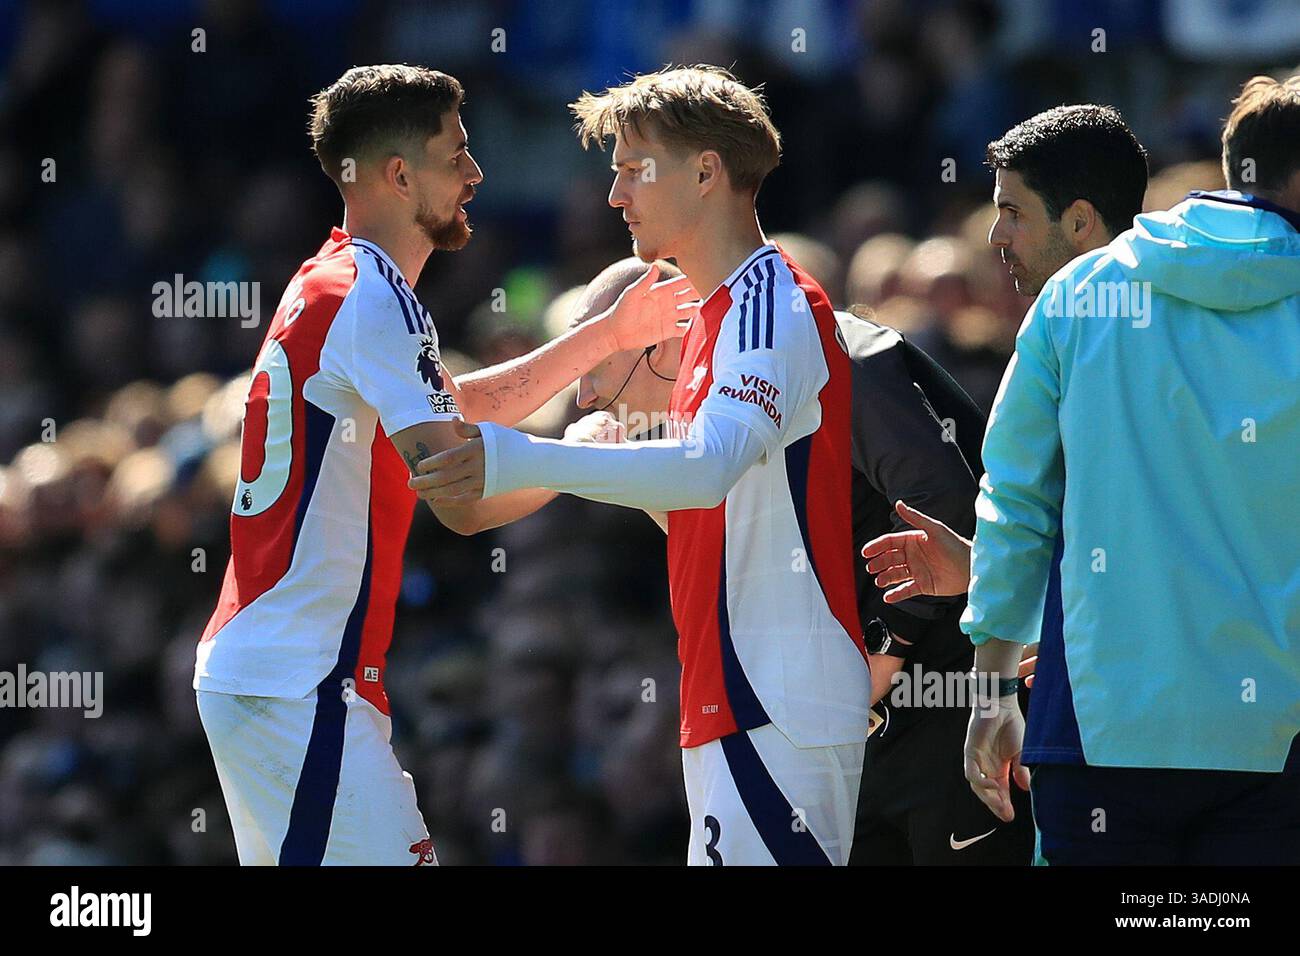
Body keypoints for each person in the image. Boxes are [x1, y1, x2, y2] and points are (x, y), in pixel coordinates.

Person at [193, 64, 692, 866]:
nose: (475, 174)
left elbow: (448, 411)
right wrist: (592, 455)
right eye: (456, 154)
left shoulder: (334, 277)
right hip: (300, 686)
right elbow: (460, 499)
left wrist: (604, 337)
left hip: (276, 676)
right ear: (399, 174)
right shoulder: (374, 297)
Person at [412, 65, 870, 865]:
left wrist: (527, 456)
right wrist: (616, 460)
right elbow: (709, 503)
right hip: (739, 697)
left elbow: (706, 470)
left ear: (705, 171)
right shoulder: (718, 316)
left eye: (632, 169)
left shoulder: (769, 301)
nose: (616, 196)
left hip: (775, 698)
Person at [874, 74, 1300, 864]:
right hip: (1272, 741)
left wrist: (993, 687)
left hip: (1100, 734)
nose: (997, 236)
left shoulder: (1078, 293)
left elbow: (1015, 501)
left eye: (1010, 213)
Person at [836, 307, 1034, 865]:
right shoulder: (717, 406)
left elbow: (942, 505)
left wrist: (887, 643)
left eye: (607, 362)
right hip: (873, 732)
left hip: (949, 699)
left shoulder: (830, 348)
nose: (586, 395)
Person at [985, 104, 1149, 297]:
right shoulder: (1181, 306)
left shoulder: (1066, 319)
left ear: (1080, 222)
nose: (996, 238)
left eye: (1014, 213)